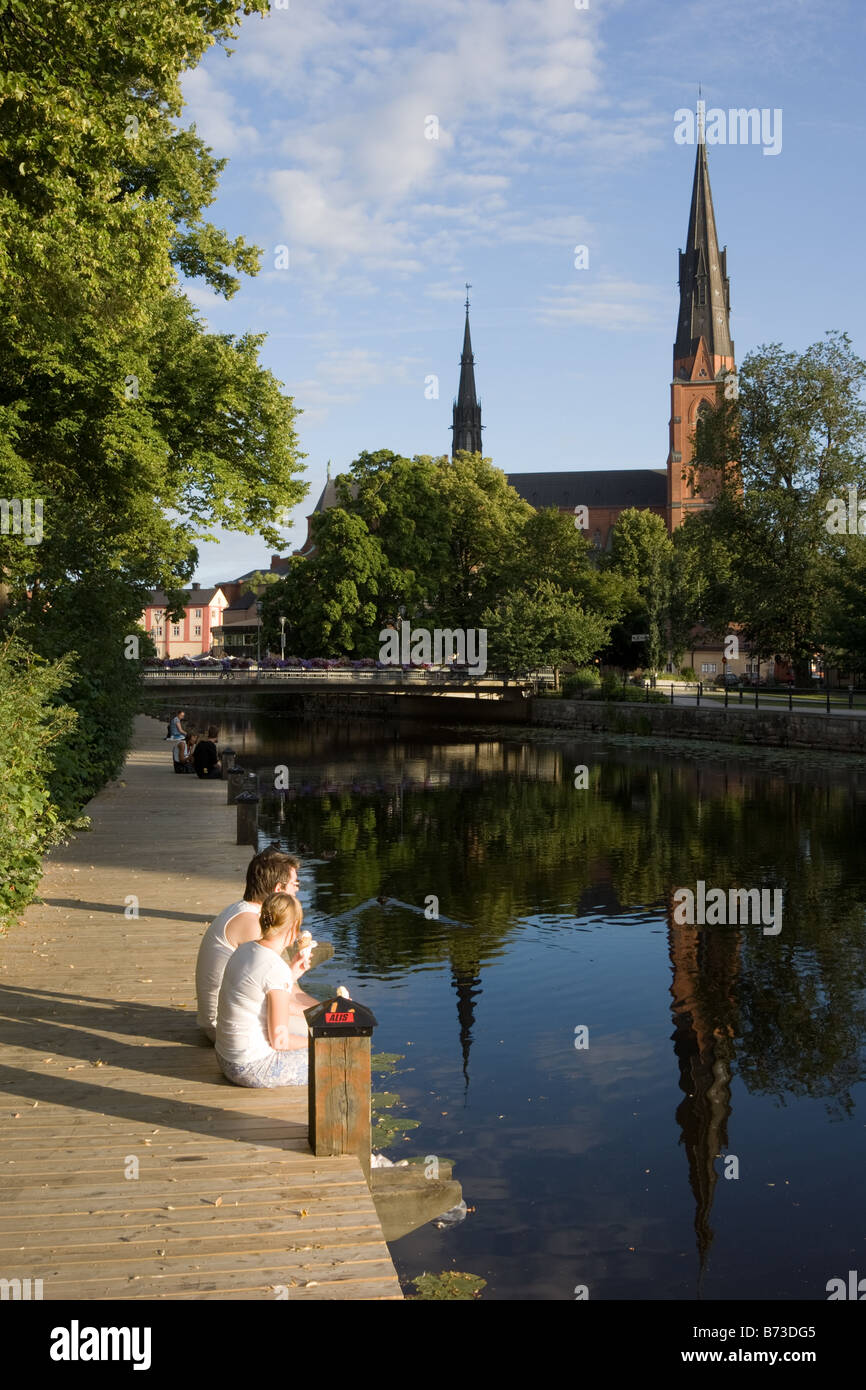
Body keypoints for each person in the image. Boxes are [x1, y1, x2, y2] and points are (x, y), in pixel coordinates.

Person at [195, 850, 303, 1041]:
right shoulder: (254, 925)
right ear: (279, 889)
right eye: (295, 884)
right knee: (321, 1029)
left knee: (323, 1019)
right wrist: (325, 1010)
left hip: (228, 1016)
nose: (297, 891)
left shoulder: (243, 910)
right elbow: (278, 993)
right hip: (223, 1027)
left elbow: (281, 985)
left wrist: (325, 1007)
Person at [215, 893, 311, 1088]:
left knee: (306, 1027)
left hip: (225, 1057)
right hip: (250, 1067)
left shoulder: (245, 949)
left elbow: (260, 992)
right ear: (294, 928)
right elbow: (280, 1042)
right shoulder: (275, 968)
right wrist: (317, 1041)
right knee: (334, 1057)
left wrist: (291, 974)